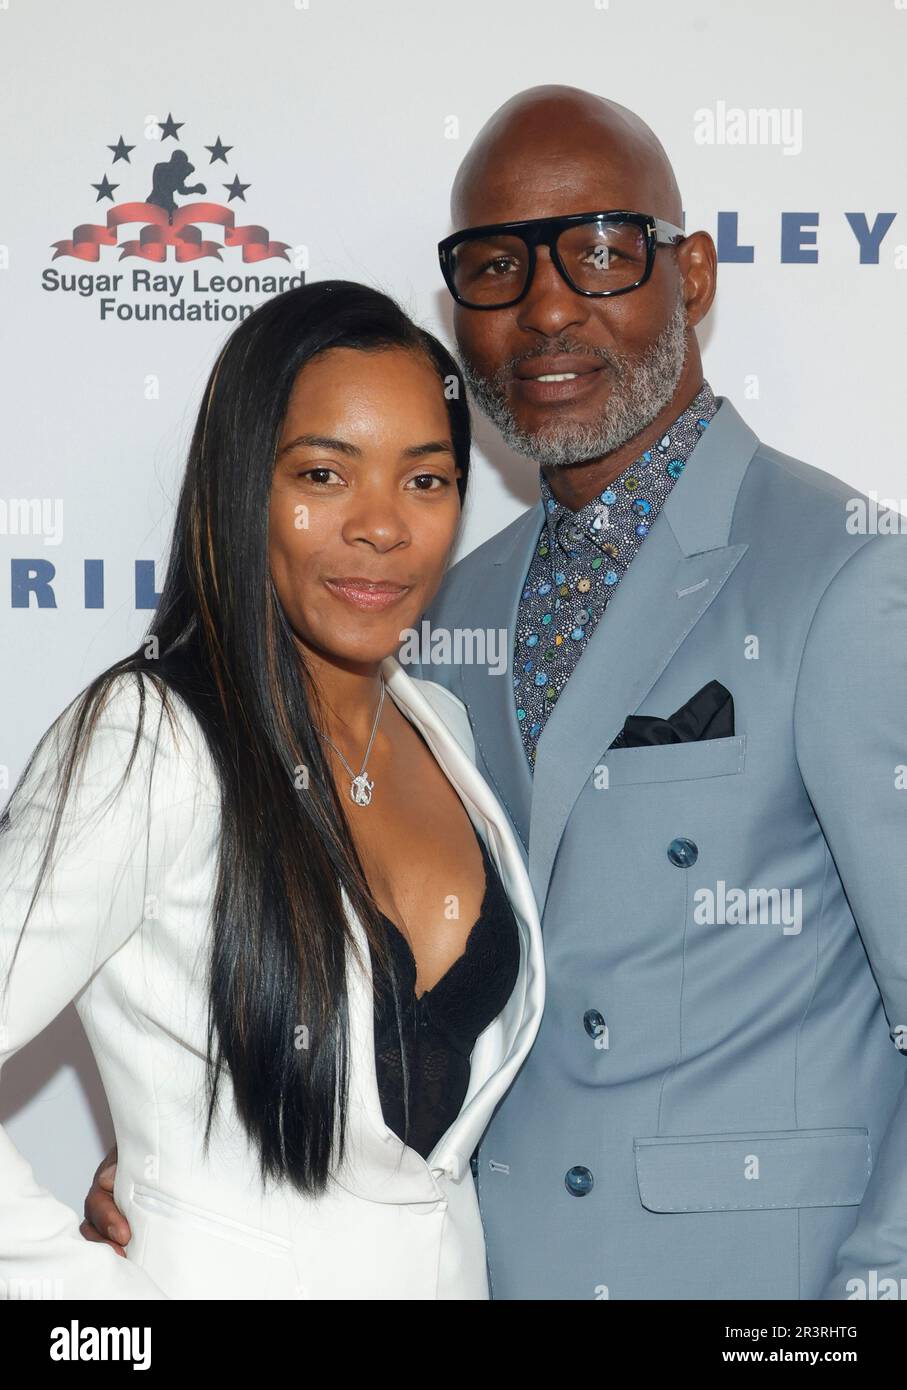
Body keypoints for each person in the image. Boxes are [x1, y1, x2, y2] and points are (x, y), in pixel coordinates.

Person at [85, 83, 907, 1302]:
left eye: (599, 250)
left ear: (693, 275)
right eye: (494, 267)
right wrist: (197, 1162)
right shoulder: (439, 607)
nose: (546, 308)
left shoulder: (842, 569)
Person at [0, 280, 544, 1300]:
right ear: (243, 484)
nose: (382, 526)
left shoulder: (447, 730)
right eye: (325, 474)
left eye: (426, 481)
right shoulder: (148, 740)